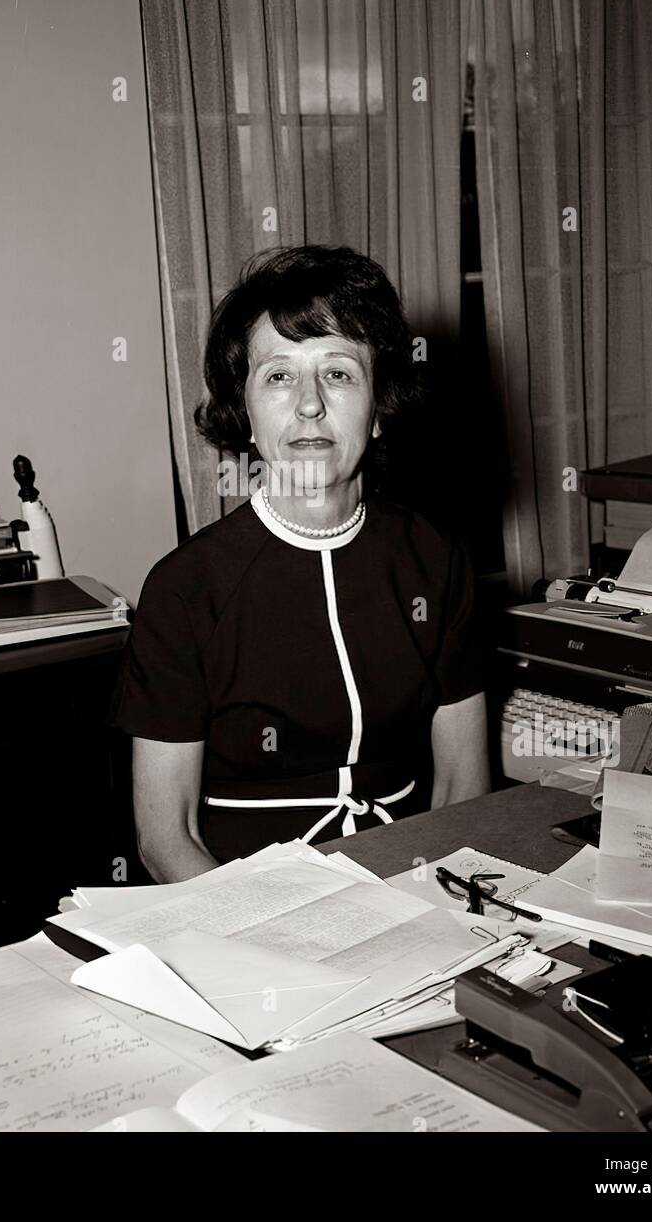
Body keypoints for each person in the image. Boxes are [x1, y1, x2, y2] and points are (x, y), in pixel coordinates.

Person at [110, 245, 490, 882]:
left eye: (339, 373)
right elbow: (165, 840)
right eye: (279, 376)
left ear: (378, 409)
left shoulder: (435, 561)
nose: (309, 404)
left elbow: (462, 786)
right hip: (238, 907)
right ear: (247, 415)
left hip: (414, 886)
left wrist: (429, 909)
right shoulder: (186, 589)